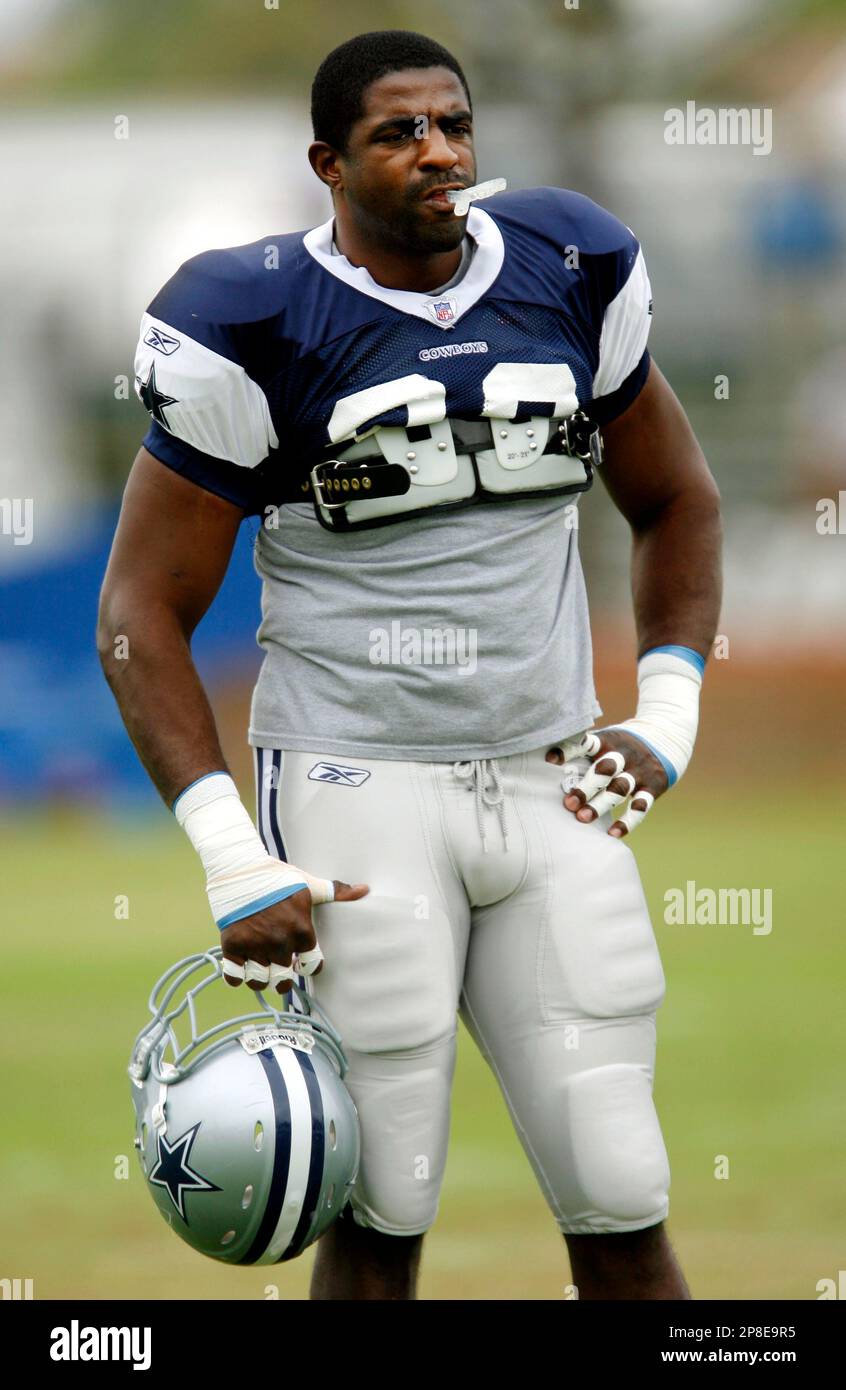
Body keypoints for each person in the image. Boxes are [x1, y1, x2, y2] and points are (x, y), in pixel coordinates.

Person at [98, 29, 722, 1300]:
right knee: (381, 1207)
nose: (439, 151)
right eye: (399, 132)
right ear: (329, 163)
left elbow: (680, 501)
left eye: (453, 123)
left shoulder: (567, 262)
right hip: (356, 785)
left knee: (621, 1187)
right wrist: (231, 854)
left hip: (556, 778)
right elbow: (138, 613)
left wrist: (667, 711)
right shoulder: (256, 318)